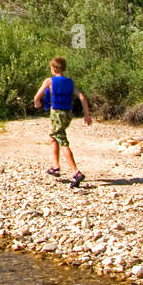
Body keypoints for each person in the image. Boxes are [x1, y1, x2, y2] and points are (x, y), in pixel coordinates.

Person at [32, 56, 92, 188]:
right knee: (53, 136)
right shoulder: (70, 82)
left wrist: (37, 103)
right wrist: (87, 114)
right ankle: (55, 166)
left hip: (57, 114)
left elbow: (37, 96)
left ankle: (76, 172)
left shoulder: (49, 81)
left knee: (62, 140)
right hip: (67, 114)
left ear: (53, 69)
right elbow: (82, 97)